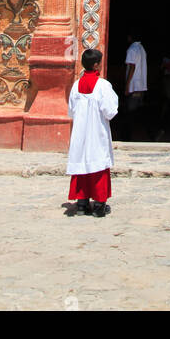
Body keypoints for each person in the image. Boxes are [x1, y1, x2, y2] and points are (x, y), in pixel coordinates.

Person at [66, 48, 118, 218]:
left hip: (81, 131)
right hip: (97, 131)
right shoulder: (103, 85)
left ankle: (81, 203)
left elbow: (72, 110)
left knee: (81, 162)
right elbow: (110, 111)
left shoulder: (76, 85)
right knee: (99, 165)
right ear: (96, 65)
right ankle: (99, 205)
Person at [122, 32, 147, 141]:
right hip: (140, 84)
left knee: (130, 113)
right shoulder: (141, 48)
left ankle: (128, 137)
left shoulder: (132, 49)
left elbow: (132, 67)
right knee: (137, 111)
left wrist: (127, 86)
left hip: (133, 85)